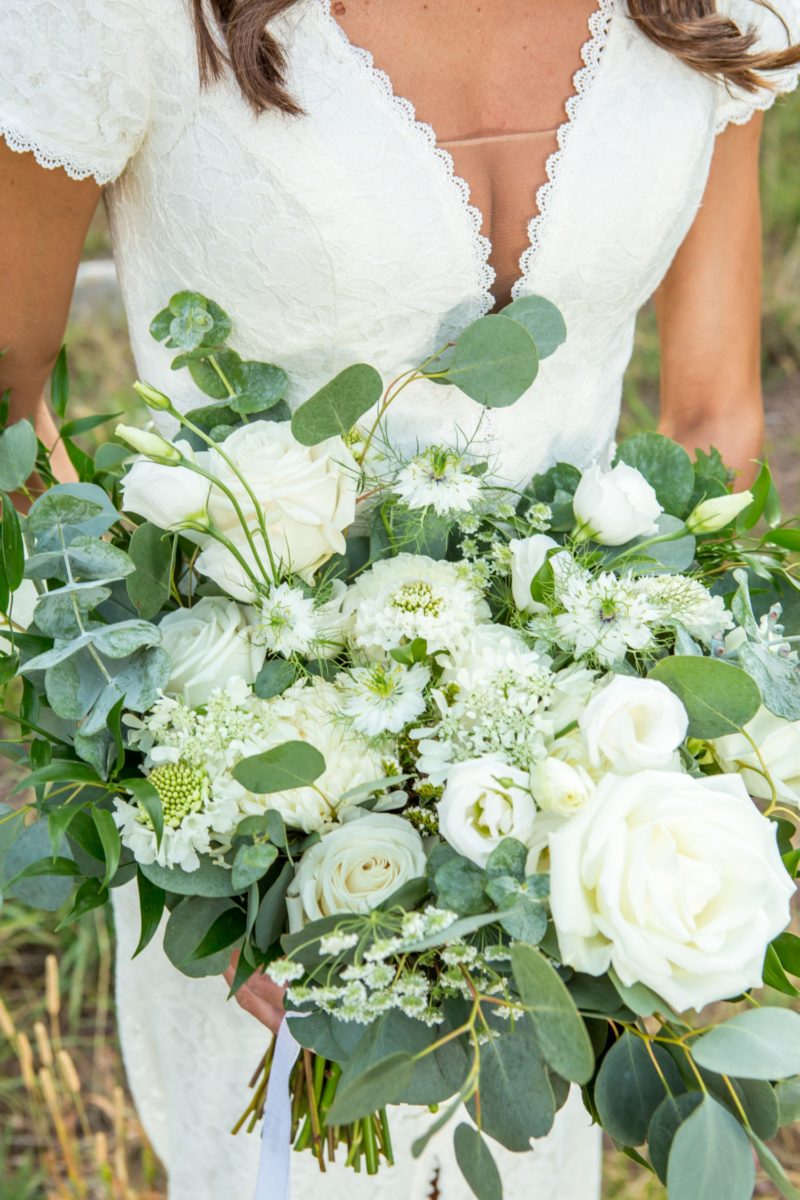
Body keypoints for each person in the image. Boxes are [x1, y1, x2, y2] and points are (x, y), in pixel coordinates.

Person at [1, 1, 799, 1197]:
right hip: (257, 761)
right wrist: (202, 811)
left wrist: (678, 777)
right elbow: (6, 397)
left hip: (561, 797)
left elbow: (709, 421)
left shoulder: (709, 7)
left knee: (519, 1158)